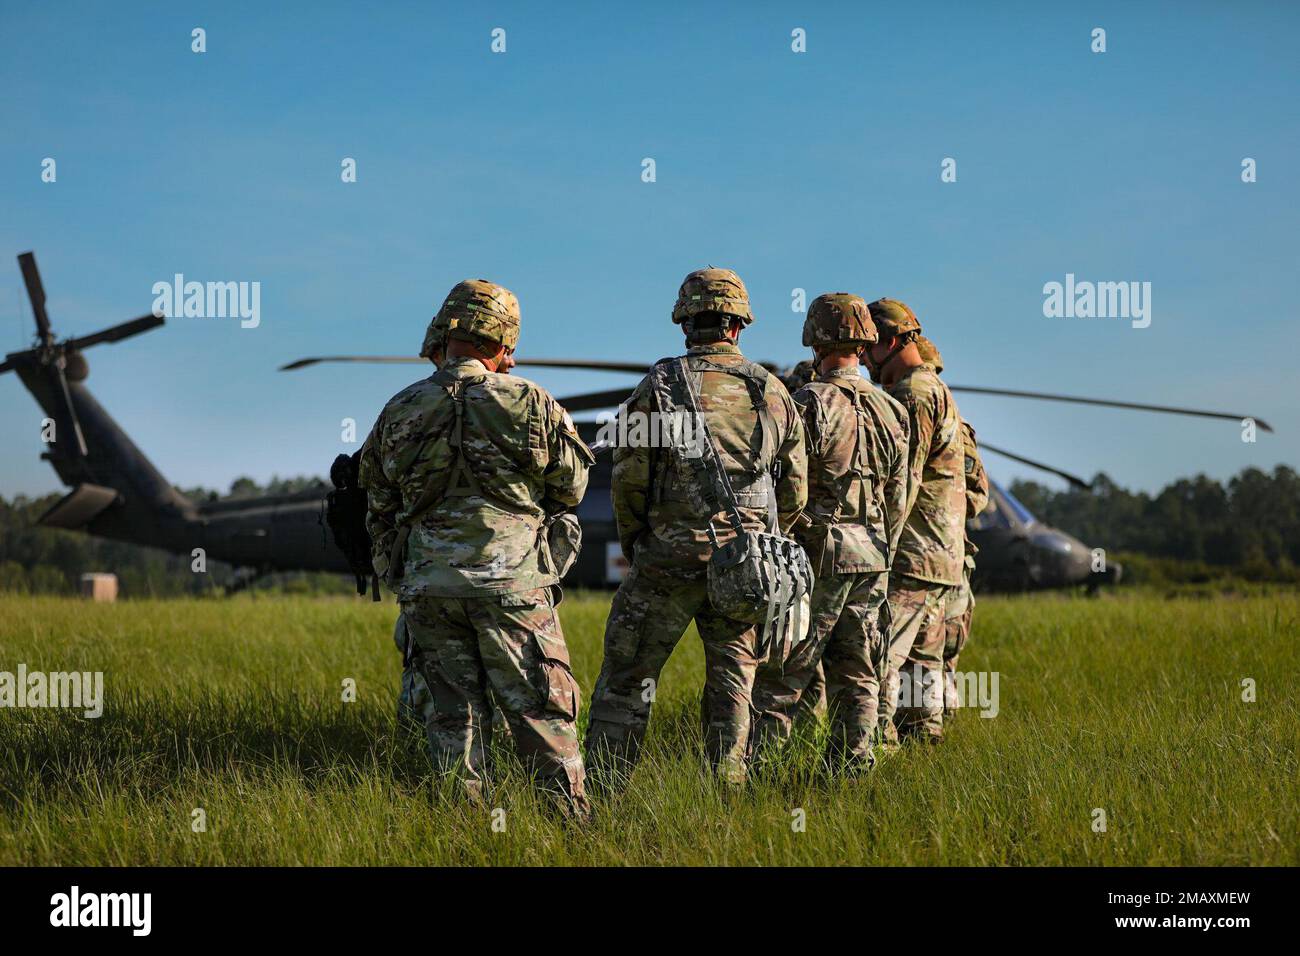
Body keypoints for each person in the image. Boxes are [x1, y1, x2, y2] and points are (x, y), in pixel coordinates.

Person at [358, 279, 594, 816]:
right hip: (512, 586)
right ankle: (570, 828)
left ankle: (460, 831)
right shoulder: (528, 400)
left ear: (446, 334)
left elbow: (377, 495)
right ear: (503, 340)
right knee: (541, 711)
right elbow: (572, 487)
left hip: (430, 588)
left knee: (451, 721)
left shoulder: (400, 407)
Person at [584, 267, 807, 789]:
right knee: (733, 682)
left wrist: (640, 541)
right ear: (739, 325)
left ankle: (603, 792)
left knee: (628, 676)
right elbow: (795, 488)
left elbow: (629, 476)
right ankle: (725, 795)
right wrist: (761, 544)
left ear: (685, 321)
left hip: (667, 557)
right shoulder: (772, 391)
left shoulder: (658, 386)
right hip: (747, 565)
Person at [751, 293, 908, 771]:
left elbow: (787, 485)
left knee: (784, 672)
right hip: (873, 556)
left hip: (818, 556)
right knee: (859, 672)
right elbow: (899, 499)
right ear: (863, 345)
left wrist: (784, 542)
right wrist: (883, 544)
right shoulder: (891, 410)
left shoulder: (806, 402)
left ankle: (763, 772)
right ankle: (852, 772)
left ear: (815, 341)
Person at [864, 298, 966, 744]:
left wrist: (874, 545)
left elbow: (901, 482)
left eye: (866, 349)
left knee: (882, 662)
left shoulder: (913, 394)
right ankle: (924, 750)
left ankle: (871, 758)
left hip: (912, 555)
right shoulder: (933, 388)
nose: (862, 359)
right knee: (922, 670)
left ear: (887, 342)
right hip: (941, 557)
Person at [914, 335, 990, 713]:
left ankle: (927, 730)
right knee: (935, 653)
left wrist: (943, 510)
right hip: (949, 555)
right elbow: (978, 494)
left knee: (934, 651)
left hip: (939, 553)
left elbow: (977, 493)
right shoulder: (954, 424)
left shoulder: (949, 426)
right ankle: (931, 728)